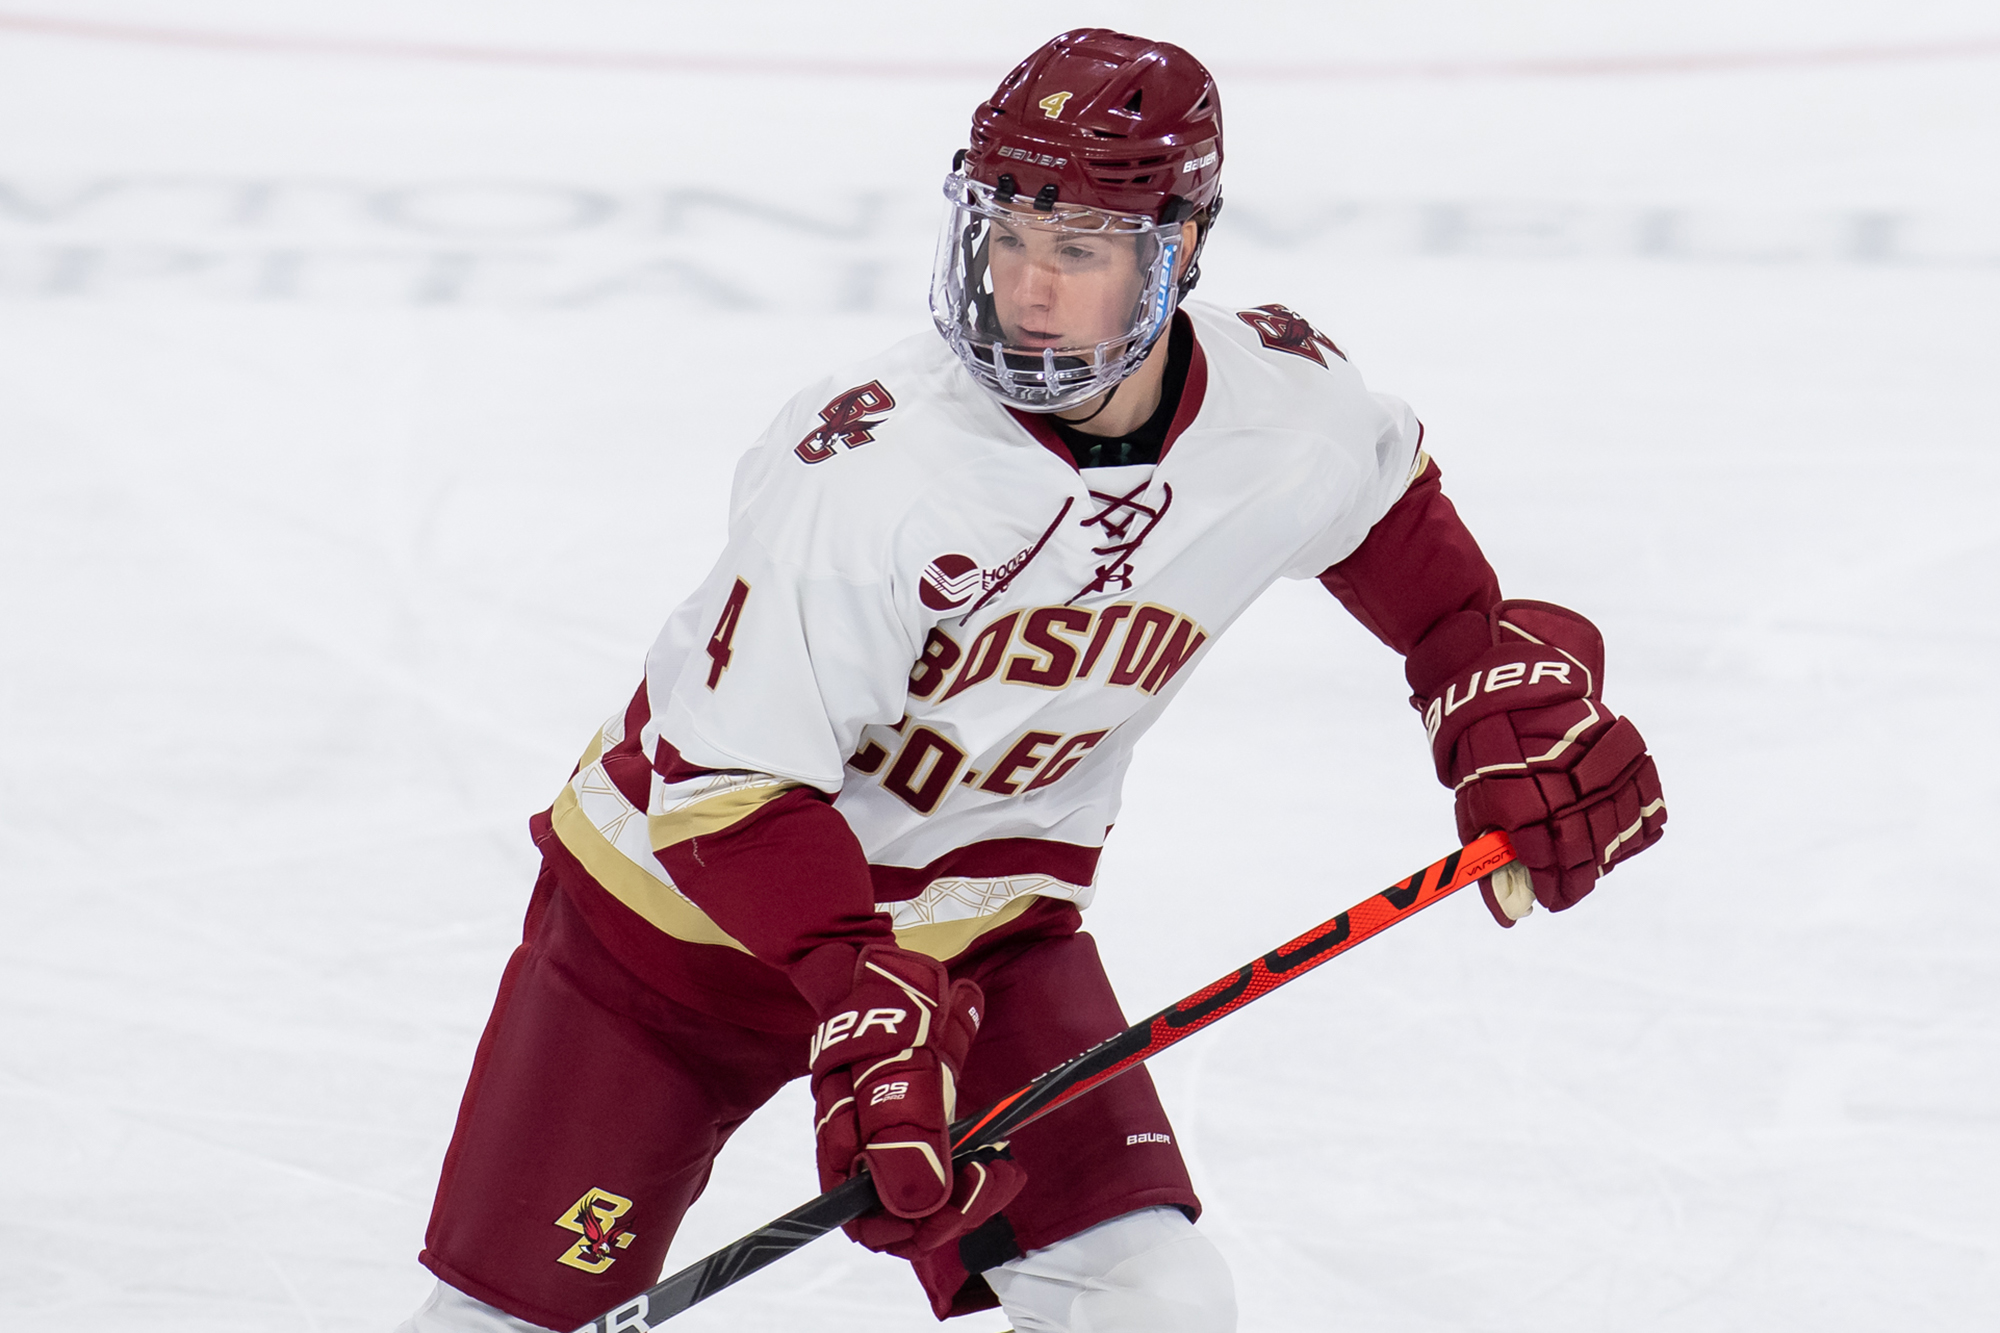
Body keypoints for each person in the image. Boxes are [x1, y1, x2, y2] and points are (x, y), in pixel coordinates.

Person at [397, 27, 1666, 1333]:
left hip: (981, 948)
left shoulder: (1288, 413)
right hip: (670, 947)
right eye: (1007, 235)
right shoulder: (874, 465)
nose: (1028, 288)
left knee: (1157, 1302)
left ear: (1182, 249)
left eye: (1080, 250)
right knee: (497, 1326)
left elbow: (1438, 588)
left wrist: (1508, 700)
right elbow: (724, 787)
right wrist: (856, 997)